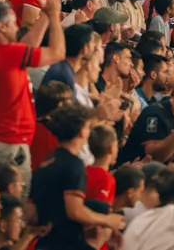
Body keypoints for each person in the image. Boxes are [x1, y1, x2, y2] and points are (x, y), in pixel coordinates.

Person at [0, 0, 65, 193]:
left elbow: (26, 46)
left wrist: (46, 16)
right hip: (9, 144)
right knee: (15, 205)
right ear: (1, 26)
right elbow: (58, 52)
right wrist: (54, 15)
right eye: (14, 23)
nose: (17, 27)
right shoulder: (8, 54)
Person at [30, 103, 124, 249]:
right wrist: (107, 220)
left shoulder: (46, 163)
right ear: (81, 131)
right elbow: (75, 211)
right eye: (87, 127)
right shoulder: (73, 164)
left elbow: (31, 210)